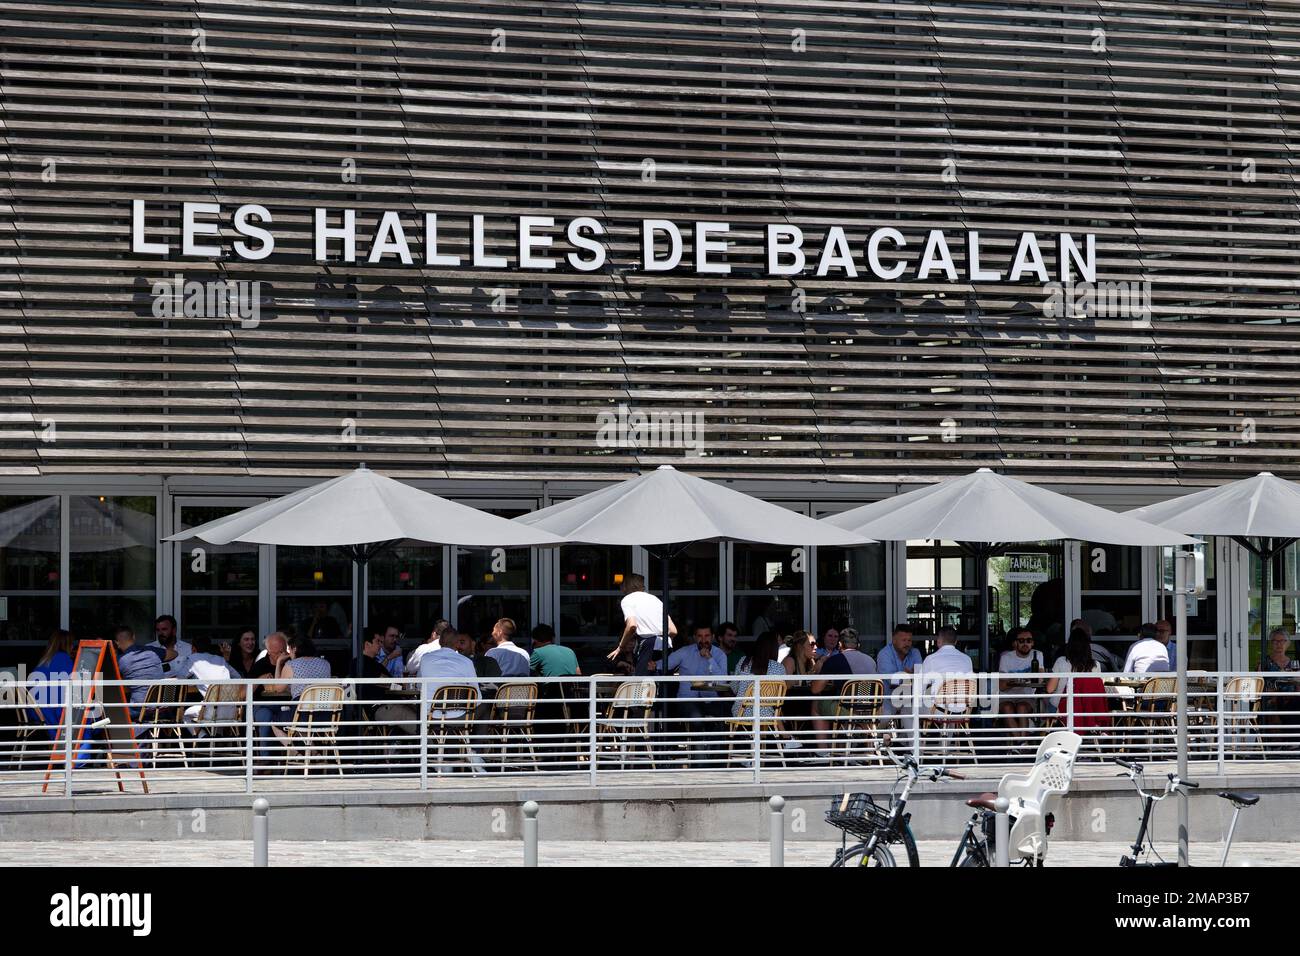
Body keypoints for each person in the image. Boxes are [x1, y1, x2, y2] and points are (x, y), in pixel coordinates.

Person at [666, 624, 731, 763]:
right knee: (697, 719)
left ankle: (717, 760)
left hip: (710, 700)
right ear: (695, 637)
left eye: (707, 636)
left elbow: (722, 682)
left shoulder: (719, 655)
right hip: (687, 701)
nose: (703, 639)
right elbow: (665, 664)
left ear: (712, 637)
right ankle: (699, 760)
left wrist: (709, 658)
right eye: (700, 636)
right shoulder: (685, 652)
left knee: (721, 717)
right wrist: (653, 665)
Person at [810, 628, 877, 740]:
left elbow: (815, 689)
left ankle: (823, 749)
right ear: (858, 645)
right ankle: (859, 734)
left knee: (816, 704)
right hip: (871, 709)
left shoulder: (835, 660)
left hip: (847, 709)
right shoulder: (871, 660)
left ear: (840, 644)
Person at [529, 624, 579, 765]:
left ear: (535, 640)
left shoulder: (538, 652)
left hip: (552, 700)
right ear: (552, 638)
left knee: (535, 711)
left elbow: (527, 673)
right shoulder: (569, 651)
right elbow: (578, 674)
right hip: (574, 701)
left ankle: (545, 749)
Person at [609, 574, 677, 675]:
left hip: (648, 644)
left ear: (625, 586)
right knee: (665, 682)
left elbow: (631, 625)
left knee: (642, 682)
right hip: (667, 645)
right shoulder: (655, 600)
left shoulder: (628, 599)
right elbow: (673, 631)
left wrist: (621, 646)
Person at [1045, 628, 1109, 729]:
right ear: (1088, 647)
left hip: (1062, 708)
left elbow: (1050, 689)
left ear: (1069, 646)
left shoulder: (1061, 661)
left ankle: (1045, 732)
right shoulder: (1095, 665)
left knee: (1045, 701)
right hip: (1087, 710)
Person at [916, 627, 974, 715]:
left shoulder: (931, 659)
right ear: (955, 642)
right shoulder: (967, 659)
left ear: (938, 641)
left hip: (939, 712)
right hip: (963, 712)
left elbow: (920, 688)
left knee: (907, 709)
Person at [997, 627, 1045, 730]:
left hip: (1026, 695)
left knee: (1022, 708)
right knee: (1007, 708)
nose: (1025, 643)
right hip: (1007, 696)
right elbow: (1001, 686)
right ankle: (1021, 739)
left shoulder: (1037, 655)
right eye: (1021, 641)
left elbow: (1040, 679)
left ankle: (1020, 739)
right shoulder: (1006, 657)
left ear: (1032, 643)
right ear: (1015, 643)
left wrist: (1018, 680)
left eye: (1029, 640)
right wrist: (1015, 682)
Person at [730, 631, 785, 720]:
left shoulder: (744, 661)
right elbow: (778, 696)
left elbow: (734, 687)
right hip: (767, 714)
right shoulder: (779, 667)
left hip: (741, 713)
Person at [28, 629, 75, 731]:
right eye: (72, 644)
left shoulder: (45, 660)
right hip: (49, 711)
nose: (73, 647)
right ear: (67, 644)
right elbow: (73, 683)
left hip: (35, 710)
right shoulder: (63, 659)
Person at [113, 625, 164, 713]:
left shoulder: (120, 660)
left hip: (140, 709)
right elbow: (174, 654)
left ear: (116, 643)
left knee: (113, 712)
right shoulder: (152, 651)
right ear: (134, 637)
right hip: (161, 707)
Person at [877, 624, 922, 715]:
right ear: (894, 640)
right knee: (885, 717)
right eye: (904, 640)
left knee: (916, 713)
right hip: (888, 699)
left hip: (909, 698)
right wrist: (910, 676)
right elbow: (892, 681)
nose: (907, 644)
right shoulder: (884, 654)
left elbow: (920, 676)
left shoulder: (915, 652)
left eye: (909, 640)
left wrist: (906, 676)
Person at [1263, 627, 1299, 733]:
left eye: (1282, 641)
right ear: (1271, 643)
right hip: (1272, 699)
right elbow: (1259, 682)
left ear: (1288, 643)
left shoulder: (1293, 664)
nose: (1279, 644)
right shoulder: (1265, 662)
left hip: (1291, 699)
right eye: (1275, 641)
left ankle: (1292, 739)